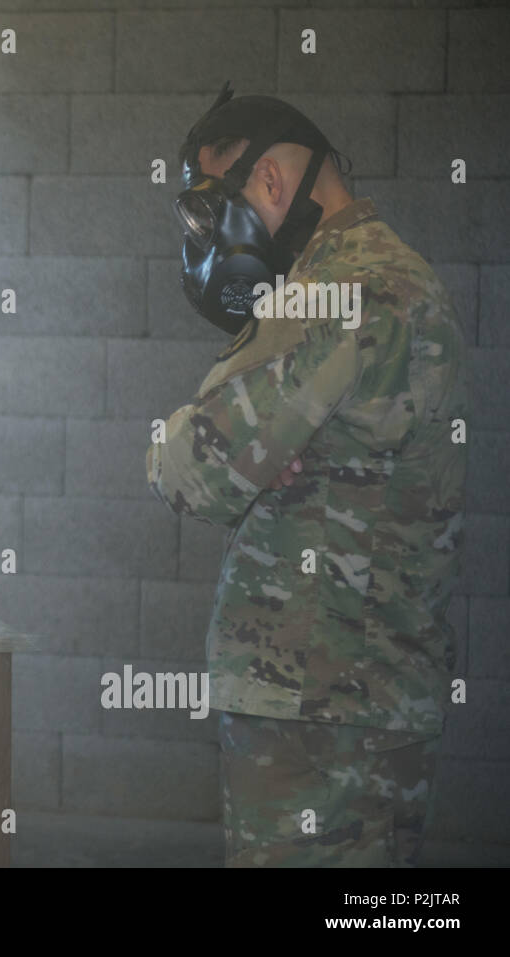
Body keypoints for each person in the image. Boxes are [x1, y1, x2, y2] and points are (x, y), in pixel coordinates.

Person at [146, 85, 468, 866]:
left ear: (270, 183)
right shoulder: (394, 275)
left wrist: (197, 432)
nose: (214, 233)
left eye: (215, 201)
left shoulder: (338, 290)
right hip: (359, 707)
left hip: (319, 715)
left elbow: (191, 468)